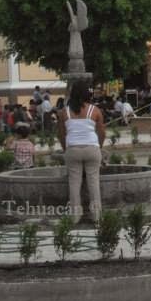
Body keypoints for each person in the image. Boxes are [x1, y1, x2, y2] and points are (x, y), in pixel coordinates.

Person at [58, 86, 105, 221]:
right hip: (92, 148)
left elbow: (61, 134)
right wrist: (99, 147)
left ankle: (75, 216)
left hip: (73, 149)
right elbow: (102, 132)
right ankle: (96, 216)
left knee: (74, 183)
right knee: (93, 182)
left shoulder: (64, 112)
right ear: (87, 95)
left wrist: (65, 148)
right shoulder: (95, 110)